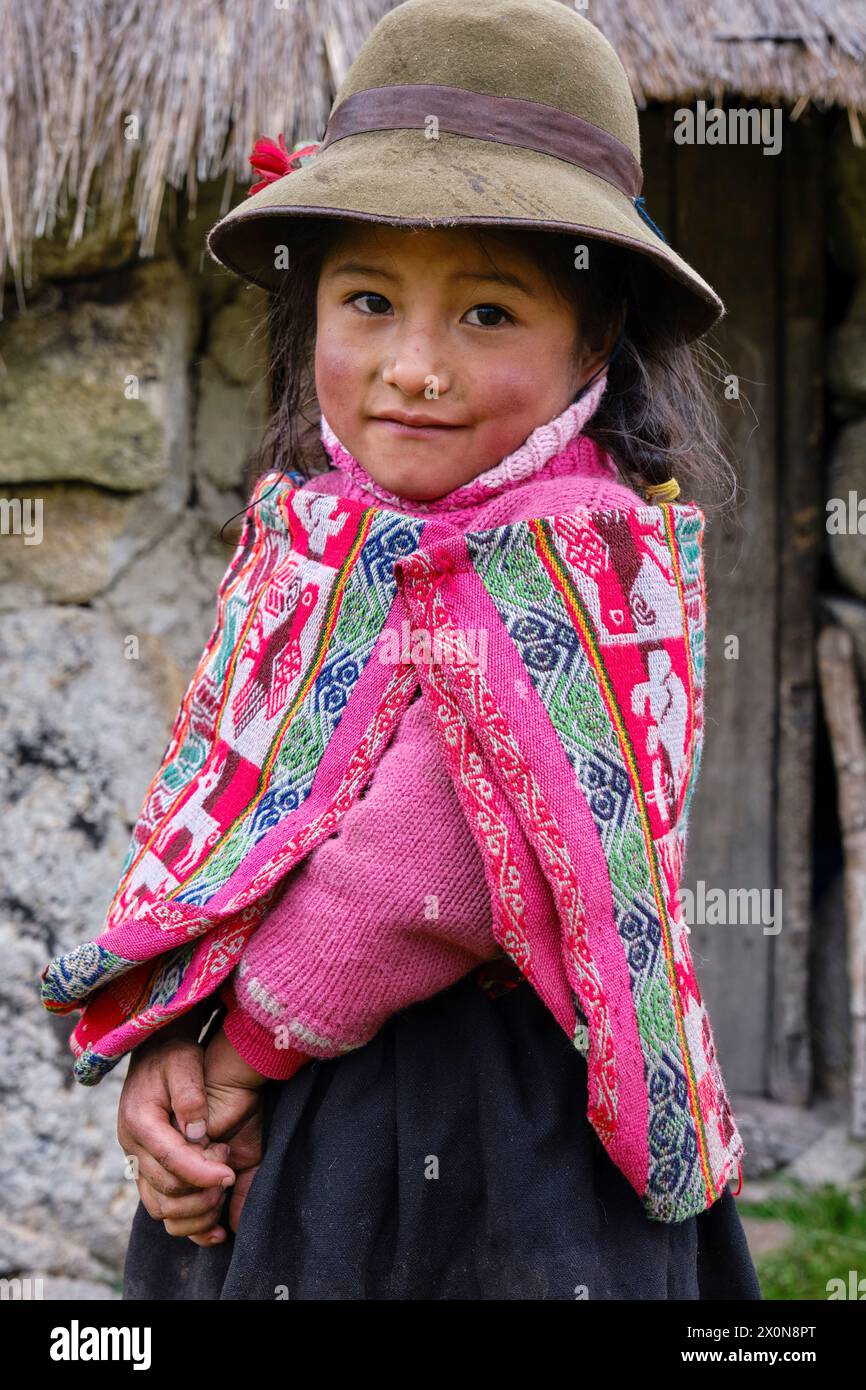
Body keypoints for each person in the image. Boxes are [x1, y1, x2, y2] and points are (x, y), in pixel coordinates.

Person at [57, 0, 763, 1299]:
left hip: (481, 1133)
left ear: (592, 339)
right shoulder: (320, 540)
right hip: (287, 1085)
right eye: (369, 300)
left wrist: (235, 1062)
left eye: (487, 313)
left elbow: (420, 868)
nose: (413, 365)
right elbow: (233, 801)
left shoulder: (580, 557)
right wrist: (177, 1027)